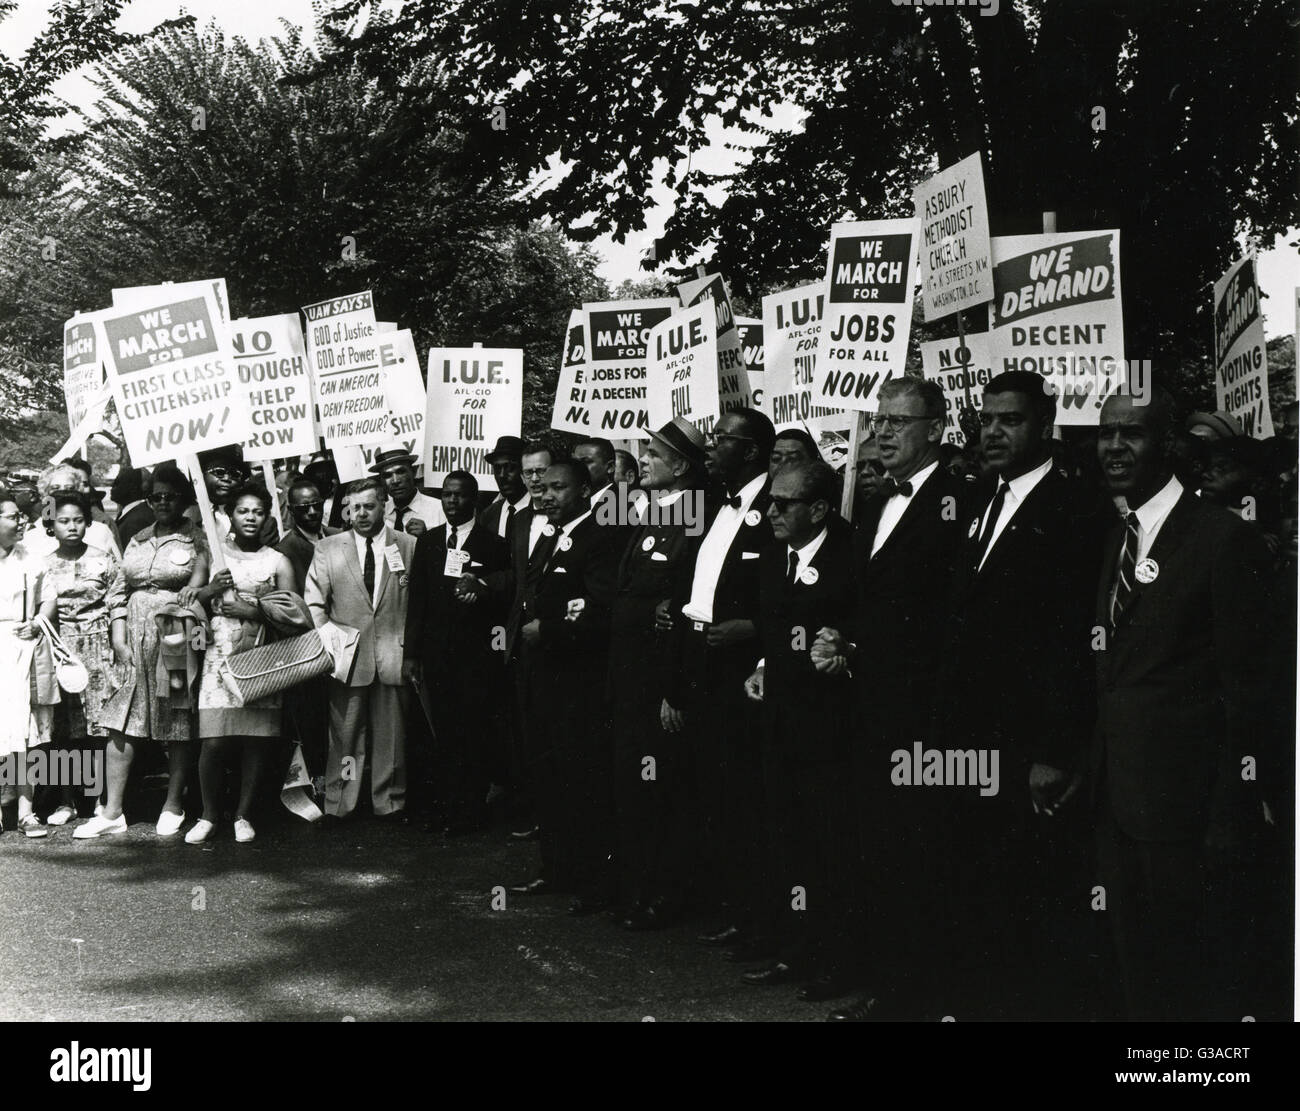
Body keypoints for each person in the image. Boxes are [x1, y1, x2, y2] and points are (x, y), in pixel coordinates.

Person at [1094, 390, 1280, 1020]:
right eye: (1106, 433)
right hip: (1119, 800)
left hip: (1190, 807)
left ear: (1171, 447)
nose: (1115, 447)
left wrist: (1233, 809)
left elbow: (1250, 686)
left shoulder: (1223, 539)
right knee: (1140, 973)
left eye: (1133, 434)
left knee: (1197, 976)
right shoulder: (1115, 535)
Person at [928, 370, 1107, 1020]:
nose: (994, 431)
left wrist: (1055, 749)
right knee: (982, 895)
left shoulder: (1075, 509)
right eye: (987, 418)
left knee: (1035, 904)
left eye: (1011, 419)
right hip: (971, 744)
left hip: (1029, 750)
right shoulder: (983, 502)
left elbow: (1071, 642)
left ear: (1046, 422)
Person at [813, 377, 971, 1019]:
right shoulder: (876, 505)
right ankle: (892, 985)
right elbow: (875, 599)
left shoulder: (960, 500)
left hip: (923, 717)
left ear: (935, 429)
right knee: (879, 848)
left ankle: (918, 995)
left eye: (898, 422)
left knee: (917, 854)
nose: (881, 431)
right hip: (871, 708)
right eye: (878, 420)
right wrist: (842, 636)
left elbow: (947, 613)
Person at [740, 459, 857, 996]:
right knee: (785, 843)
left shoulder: (853, 554)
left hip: (831, 732)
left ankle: (837, 960)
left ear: (819, 508)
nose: (771, 512)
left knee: (830, 848)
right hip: (779, 725)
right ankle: (796, 950)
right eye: (770, 501)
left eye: (783, 504)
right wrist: (763, 668)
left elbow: (861, 632)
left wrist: (844, 651)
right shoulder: (772, 555)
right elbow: (773, 627)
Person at [663, 407, 775, 958]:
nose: (710, 447)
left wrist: (753, 631)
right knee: (716, 794)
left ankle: (760, 920)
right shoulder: (715, 507)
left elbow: (781, 595)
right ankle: (734, 910)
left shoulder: (773, 505)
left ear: (751, 451)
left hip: (743, 669)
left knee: (744, 799)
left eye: (722, 440)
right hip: (702, 661)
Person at [607, 418, 706, 930]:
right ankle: (639, 887)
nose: (641, 460)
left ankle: (666, 895)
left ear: (681, 467)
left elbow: (685, 598)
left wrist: (672, 683)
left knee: (660, 787)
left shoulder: (695, 516)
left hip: (658, 677)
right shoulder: (649, 509)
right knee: (635, 785)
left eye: (652, 454)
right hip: (628, 677)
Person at [74, 464, 210, 839]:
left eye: (169, 496)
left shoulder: (198, 539)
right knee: (122, 719)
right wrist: (118, 633)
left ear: (182, 499)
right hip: (134, 636)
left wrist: (194, 597)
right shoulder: (139, 538)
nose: (162, 503)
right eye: (155, 497)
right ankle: (113, 810)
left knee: (177, 718)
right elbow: (118, 590)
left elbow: (204, 585)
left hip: (175, 634)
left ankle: (173, 803)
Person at [510, 460, 621, 913]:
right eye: (544, 486)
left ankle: (591, 882)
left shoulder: (599, 535)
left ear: (584, 490)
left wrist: (549, 631)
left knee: (581, 781)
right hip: (545, 678)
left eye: (559, 487)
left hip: (577, 680)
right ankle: (556, 869)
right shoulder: (553, 533)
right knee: (550, 777)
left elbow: (595, 608)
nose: (546, 494)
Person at [189, 483, 297, 844]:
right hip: (219, 655)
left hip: (262, 656)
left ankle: (244, 814)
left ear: (267, 515)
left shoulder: (277, 560)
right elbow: (188, 601)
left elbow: (295, 615)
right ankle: (208, 814)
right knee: (215, 741)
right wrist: (209, 590)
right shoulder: (213, 554)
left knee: (256, 740)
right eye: (243, 511)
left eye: (258, 511)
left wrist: (253, 610)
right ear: (229, 515)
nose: (250, 518)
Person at [403, 471, 509, 834]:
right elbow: (417, 600)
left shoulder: (492, 544)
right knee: (443, 731)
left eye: (460, 496)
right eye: (447, 495)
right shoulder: (430, 542)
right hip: (436, 655)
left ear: (473, 500)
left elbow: (503, 595)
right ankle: (448, 806)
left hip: (476, 655)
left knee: (474, 730)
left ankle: (472, 809)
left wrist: (482, 591)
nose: (452, 502)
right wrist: (412, 655)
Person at [304, 477, 417, 819]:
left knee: (391, 737)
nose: (362, 514)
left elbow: (417, 601)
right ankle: (342, 801)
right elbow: (314, 601)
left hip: (391, 653)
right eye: (356, 508)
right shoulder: (328, 548)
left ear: (384, 505)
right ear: (347, 511)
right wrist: (328, 641)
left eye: (370, 506)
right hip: (346, 659)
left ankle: (390, 801)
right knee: (346, 737)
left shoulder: (408, 545)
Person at [34, 492, 126, 826]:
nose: (71, 526)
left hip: (98, 646)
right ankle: (65, 801)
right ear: (52, 524)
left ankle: (100, 799)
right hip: (60, 649)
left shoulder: (103, 559)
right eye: (63, 520)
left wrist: (119, 643)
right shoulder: (42, 564)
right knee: (63, 728)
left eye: (77, 520)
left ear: (87, 522)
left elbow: (118, 602)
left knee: (98, 728)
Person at [499, 441, 555, 837]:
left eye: (541, 472)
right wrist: (483, 583)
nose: (534, 480)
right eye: (528, 473)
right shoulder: (518, 522)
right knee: (527, 729)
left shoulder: (572, 519)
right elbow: (515, 578)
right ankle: (537, 812)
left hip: (556, 638)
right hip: (520, 641)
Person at [0, 492, 55, 836]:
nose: (20, 521)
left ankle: (26, 811)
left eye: (21, 515)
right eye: (11, 516)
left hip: (24, 647)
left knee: (26, 729)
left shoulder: (31, 559)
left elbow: (50, 598)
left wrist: (37, 622)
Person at [24, 463, 121, 559]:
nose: (62, 492)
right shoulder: (32, 536)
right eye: (55, 488)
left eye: (69, 488)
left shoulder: (100, 531)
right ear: (45, 494)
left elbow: (119, 568)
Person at [191, 448, 278, 546]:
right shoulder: (186, 516)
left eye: (235, 474)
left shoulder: (261, 522)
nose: (227, 478)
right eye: (219, 472)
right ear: (201, 475)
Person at [277, 477, 342, 594]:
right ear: (290, 510)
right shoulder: (284, 552)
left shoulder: (339, 536)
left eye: (317, 505)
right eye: (304, 508)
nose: (312, 512)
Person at [371, 445, 445, 536]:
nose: (395, 481)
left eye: (401, 472)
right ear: (381, 480)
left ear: (414, 472)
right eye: (387, 475)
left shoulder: (439, 509)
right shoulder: (379, 514)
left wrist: (427, 538)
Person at [480, 436, 530, 540]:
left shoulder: (539, 511)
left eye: (510, 468)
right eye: (497, 469)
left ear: (524, 470)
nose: (502, 475)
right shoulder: (488, 514)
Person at [112, 467, 154, 549]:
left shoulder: (138, 520)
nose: (112, 486)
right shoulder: (133, 513)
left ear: (133, 488)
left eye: (117, 482)